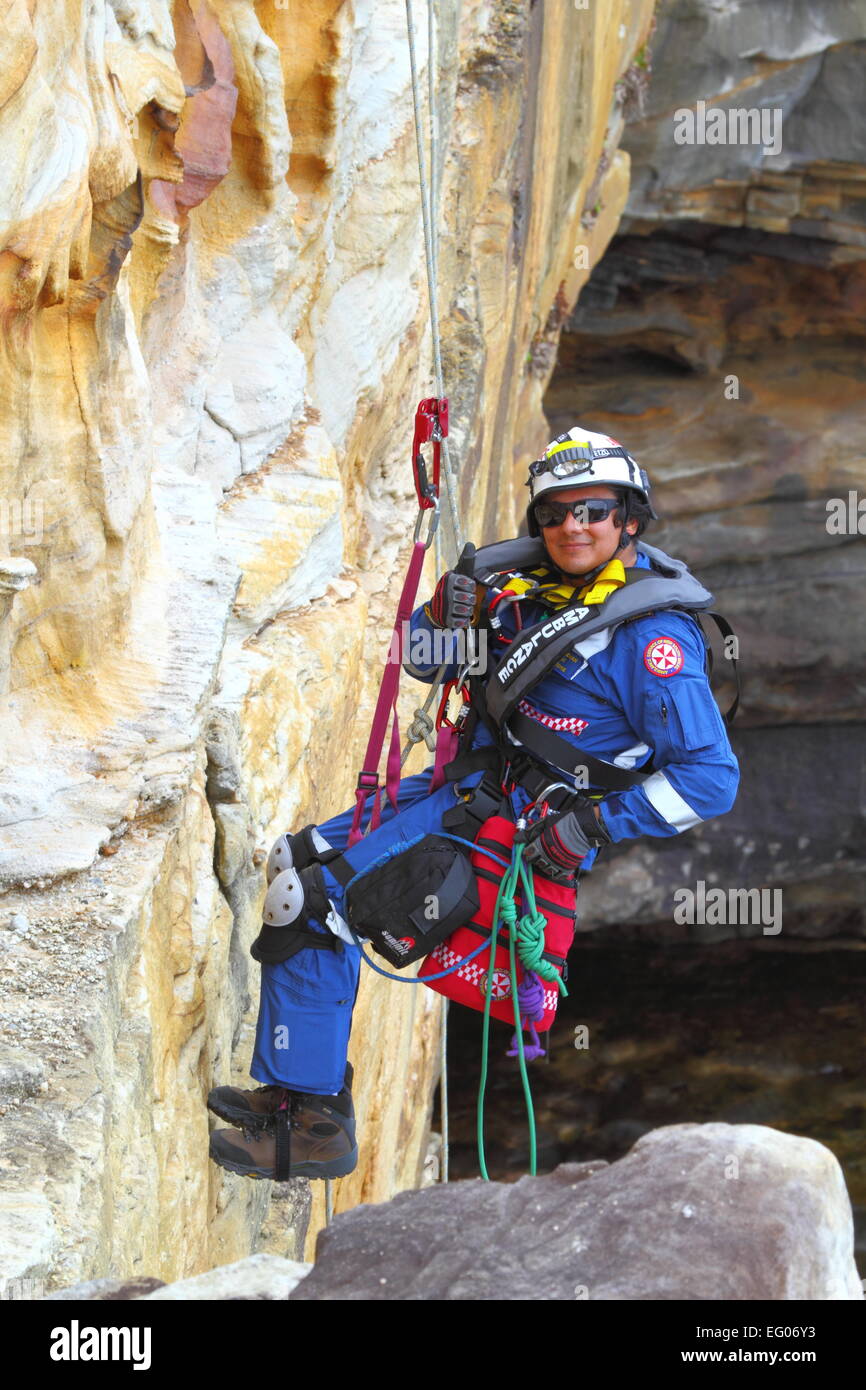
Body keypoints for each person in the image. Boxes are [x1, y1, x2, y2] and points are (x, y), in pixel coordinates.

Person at [207, 426, 740, 1181]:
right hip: (468, 787)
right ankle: (295, 1091)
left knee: (314, 900)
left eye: (593, 510)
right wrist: (441, 614)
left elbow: (710, 778)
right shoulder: (525, 595)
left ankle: (313, 1122)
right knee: (294, 867)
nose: (573, 527)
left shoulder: (650, 640)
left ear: (629, 517)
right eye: (556, 513)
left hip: (516, 827)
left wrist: (593, 824)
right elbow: (422, 665)